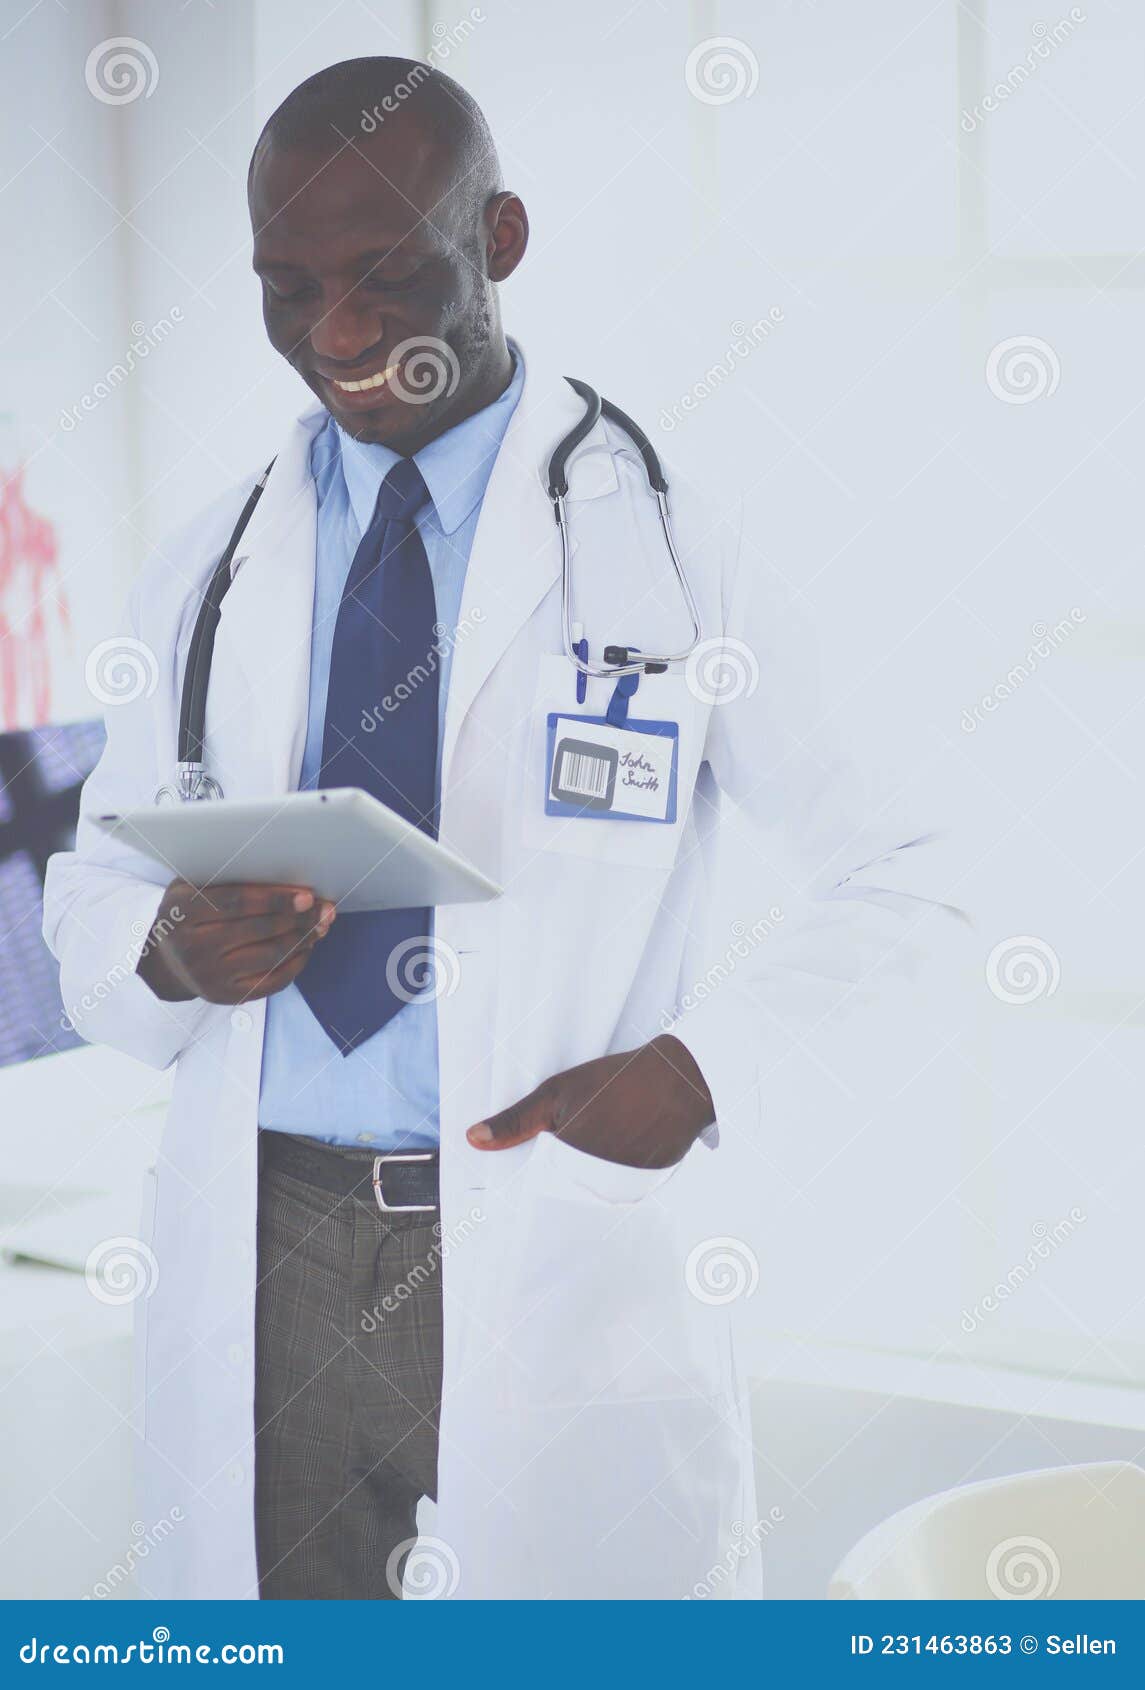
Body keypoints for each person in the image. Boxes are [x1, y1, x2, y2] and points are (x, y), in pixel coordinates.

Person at [44, 56, 954, 1600]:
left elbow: (908, 879)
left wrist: (699, 1069)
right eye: (288, 288)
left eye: (386, 273)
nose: (335, 332)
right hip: (266, 1245)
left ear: (502, 238)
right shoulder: (213, 563)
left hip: (547, 1241)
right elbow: (100, 874)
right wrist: (167, 948)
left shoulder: (684, 541)